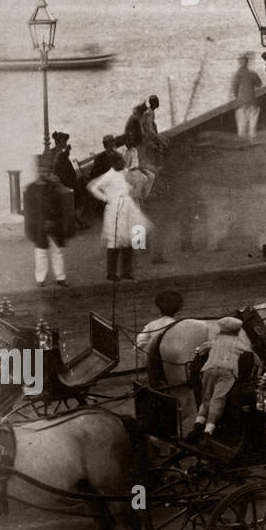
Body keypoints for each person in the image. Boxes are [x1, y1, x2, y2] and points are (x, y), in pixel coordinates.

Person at [185, 327, 256, 443]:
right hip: (226, 376)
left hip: (206, 373)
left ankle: (198, 424)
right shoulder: (240, 346)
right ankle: (208, 432)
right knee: (218, 399)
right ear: (236, 332)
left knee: (207, 398)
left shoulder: (209, 344)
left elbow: (196, 359)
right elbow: (247, 366)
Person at [88, 149, 147, 281]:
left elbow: (131, 183)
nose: (123, 162)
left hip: (128, 207)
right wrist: (105, 198)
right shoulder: (109, 175)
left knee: (129, 239)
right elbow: (93, 187)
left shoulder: (123, 173)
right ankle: (111, 272)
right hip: (115, 208)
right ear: (114, 163)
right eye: (120, 161)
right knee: (115, 240)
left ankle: (126, 270)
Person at [23, 153, 72, 287]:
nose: (44, 172)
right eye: (41, 170)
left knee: (57, 251)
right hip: (39, 225)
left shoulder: (53, 186)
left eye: (46, 170)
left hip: (53, 223)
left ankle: (60, 277)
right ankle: (40, 278)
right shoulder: (31, 189)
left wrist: (54, 220)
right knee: (41, 252)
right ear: (38, 170)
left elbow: (59, 205)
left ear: (49, 171)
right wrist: (39, 222)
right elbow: (30, 210)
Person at [136, 290, 184, 367]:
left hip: (155, 366)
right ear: (179, 308)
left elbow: (139, 344)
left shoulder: (151, 325)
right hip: (174, 365)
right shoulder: (180, 325)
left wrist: (148, 360)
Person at [231, 54, 262, 139]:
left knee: (241, 128)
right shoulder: (252, 74)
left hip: (241, 103)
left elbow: (234, 90)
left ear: (239, 63)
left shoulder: (236, 75)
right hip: (252, 102)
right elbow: (259, 84)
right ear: (247, 63)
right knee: (252, 126)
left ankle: (242, 144)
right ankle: (252, 141)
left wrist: (237, 97)